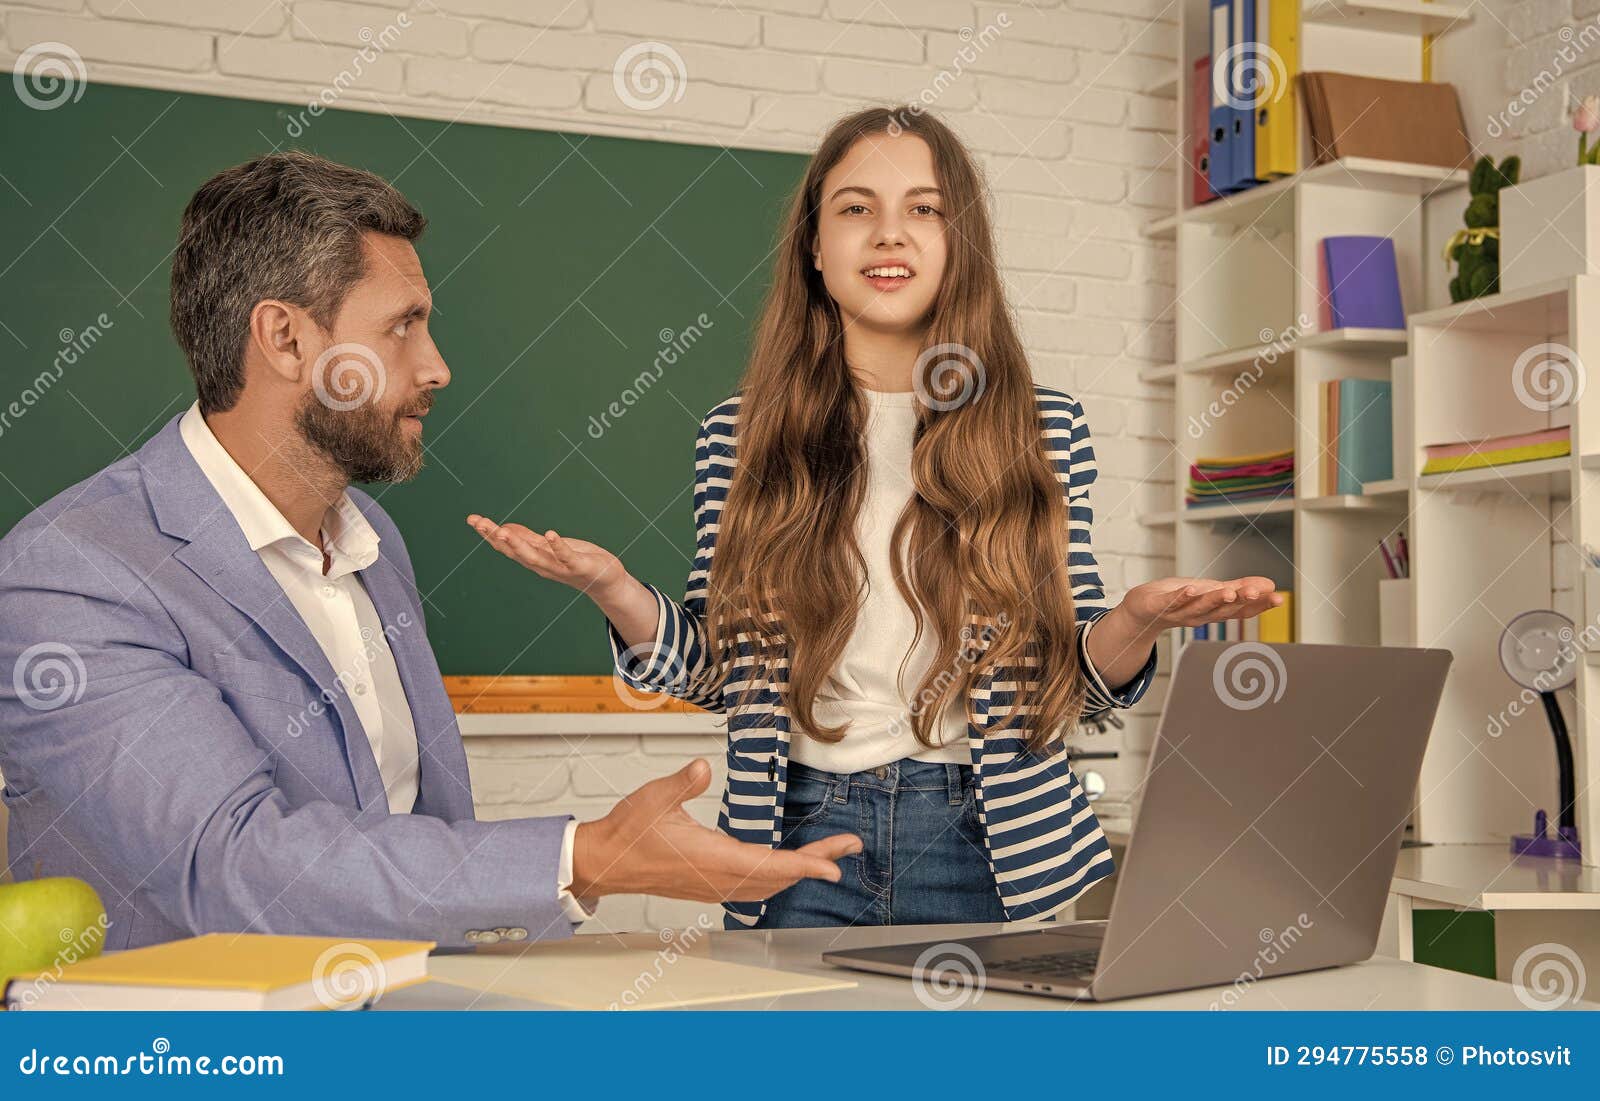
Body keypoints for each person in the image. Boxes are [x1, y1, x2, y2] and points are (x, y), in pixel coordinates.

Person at [0, 151, 859, 952]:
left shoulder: (372, 543)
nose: (438, 366)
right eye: (402, 326)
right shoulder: (75, 577)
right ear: (286, 338)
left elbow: (421, 832)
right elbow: (234, 866)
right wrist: (586, 857)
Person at [469, 107, 1281, 930]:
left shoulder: (1039, 427)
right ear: (815, 248)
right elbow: (718, 673)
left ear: (959, 244)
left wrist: (1137, 621)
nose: (890, 233)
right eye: (856, 208)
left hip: (987, 840)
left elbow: (1073, 678)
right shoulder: (740, 435)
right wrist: (614, 589)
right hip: (797, 837)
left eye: (924, 209)